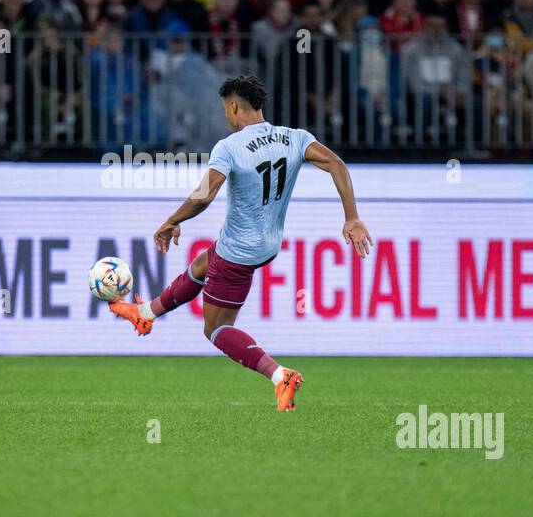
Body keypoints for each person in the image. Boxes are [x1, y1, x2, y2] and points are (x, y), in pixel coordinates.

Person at [107, 74, 372, 412]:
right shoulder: (295, 138)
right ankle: (145, 313)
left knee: (216, 329)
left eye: (225, 110)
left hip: (238, 252)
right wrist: (351, 217)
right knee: (204, 262)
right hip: (268, 245)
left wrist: (173, 220)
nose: (226, 117)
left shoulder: (229, 147)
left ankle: (280, 376)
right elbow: (337, 163)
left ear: (234, 106)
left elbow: (203, 197)